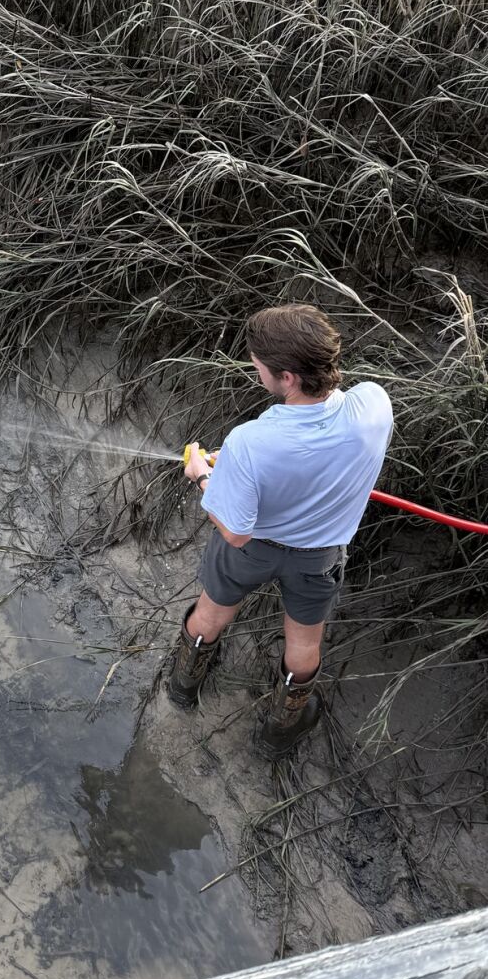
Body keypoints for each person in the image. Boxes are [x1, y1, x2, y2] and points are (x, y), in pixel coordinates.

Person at [170, 305, 393, 757]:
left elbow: (233, 531)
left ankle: (183, 687)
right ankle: (279, 730)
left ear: (287, 378)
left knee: (211, 614)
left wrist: (203, 476)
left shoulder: (250, 441)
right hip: (320, 556)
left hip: (250, 551)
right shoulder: (374, 404)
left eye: (259, 367)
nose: (256, 373)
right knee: (305, 642)